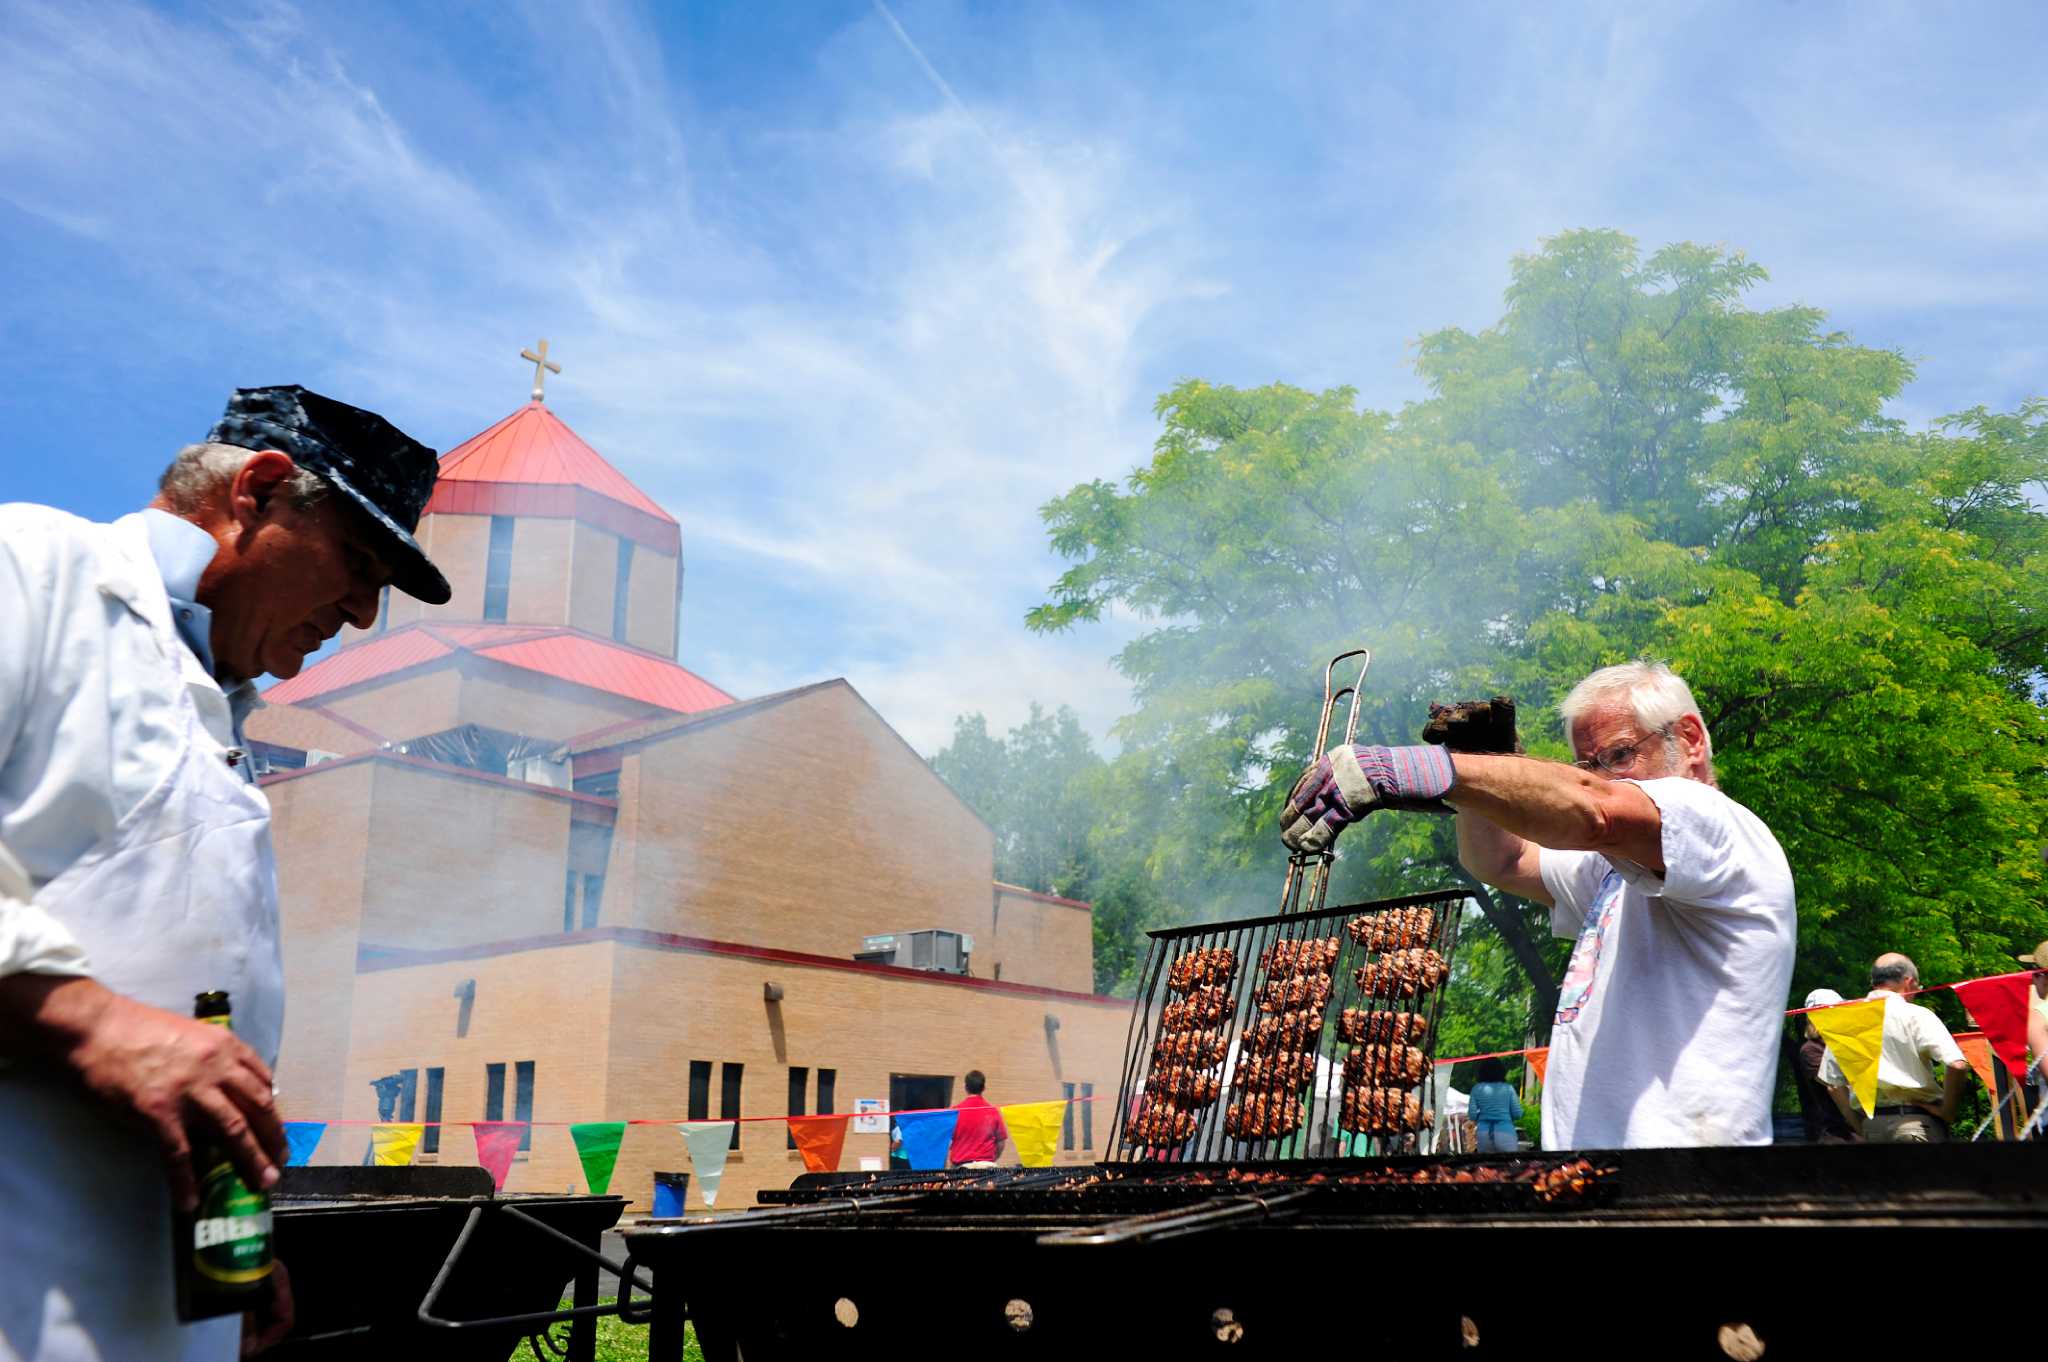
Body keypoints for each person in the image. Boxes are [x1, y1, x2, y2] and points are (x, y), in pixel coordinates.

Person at [0, 387, 450, 1361]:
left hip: (167, 1306)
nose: (366, 614)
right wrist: (90, 1021)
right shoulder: (32, 567)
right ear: (257, 489)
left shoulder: (217, 708)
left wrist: (229, 1239)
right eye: (360, 565)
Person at [1283, 663, 1797, 1149]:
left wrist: (1416, 768)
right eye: (1587, 765)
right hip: (1608, 1172)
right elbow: (1503, 862)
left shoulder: (1712, 821)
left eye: (1619, 756)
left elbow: (1596, 809)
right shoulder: (1614, 870)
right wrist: (1486, 772)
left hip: (1681, 1174)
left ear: (1688, 740)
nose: (1606, 777)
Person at [1820, 954, 1971, 1143]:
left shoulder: (1844, 1021)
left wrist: (1859, 1125)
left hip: (1872, 1127)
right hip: (1916, 1125)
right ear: (1909, 981)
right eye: (1918, 987)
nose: (1917, 992)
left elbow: (1834, 1085)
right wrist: (1947, 1111)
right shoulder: (1916, 1015)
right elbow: (1957, 1065)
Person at [1793, 989, 1859, 1144]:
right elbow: (1836, 1087)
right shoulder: (1810, 1049)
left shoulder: (1845, 1041)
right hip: (1840, 1135)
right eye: (1836, 1010)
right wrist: (1860, 1128)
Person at [948, 1070, 1010, 1168]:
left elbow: (946, 1140)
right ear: (984, 1088)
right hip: (987, 1167)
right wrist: (993, 1159)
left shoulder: (954, 1112)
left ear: (965, 1087)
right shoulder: (992, 1111)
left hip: (961, 1168)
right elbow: (1001, 1143)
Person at [1465, 1057, 1523, 1153]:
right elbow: (1517, 1114)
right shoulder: (1508, 1088)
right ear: (1501, 1071)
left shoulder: (1477, 1089)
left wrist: (1484, 1115)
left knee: (1486, 1165)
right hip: (1505, 1132)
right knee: (1508, 1165)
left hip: (1484, 1133)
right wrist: (1505, 1115)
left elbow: (1472, 1115)